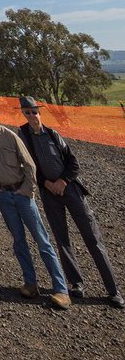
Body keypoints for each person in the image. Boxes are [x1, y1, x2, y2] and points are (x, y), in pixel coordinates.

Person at [17, 96, 123, 308]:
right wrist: (46, 183)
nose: (31, 115)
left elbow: (72, 162)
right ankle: (76, 284)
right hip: (49, 194)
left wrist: (63, 181)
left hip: (71, 190)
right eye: (27, 112)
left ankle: (113, 290)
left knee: (93, 239)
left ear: (40, 112)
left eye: (34, 111)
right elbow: (26, 165)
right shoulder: (23, 136)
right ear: (23, 114)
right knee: (62, 239)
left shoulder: (53, 135)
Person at [0, 100, 69, 309]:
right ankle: (30, 283)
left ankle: (61, 289)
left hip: (22, 194)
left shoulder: (9, 135)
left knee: (42, 241)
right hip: (3, 195)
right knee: (18, 241)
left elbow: (29, 164)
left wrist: (27, 190)